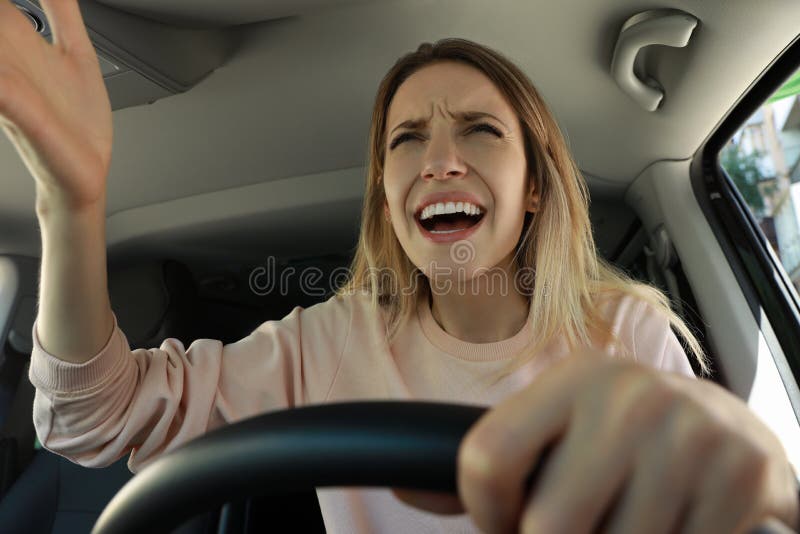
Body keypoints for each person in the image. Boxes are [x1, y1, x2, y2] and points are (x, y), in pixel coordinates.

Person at [1, 1, 797, 532]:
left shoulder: (625, 332)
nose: (440, 160)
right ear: (388, 201)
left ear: (532, 192)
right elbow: (88, 421)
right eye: (407, 139)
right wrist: (71, 203)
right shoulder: (327, 342)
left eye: (481, 130)